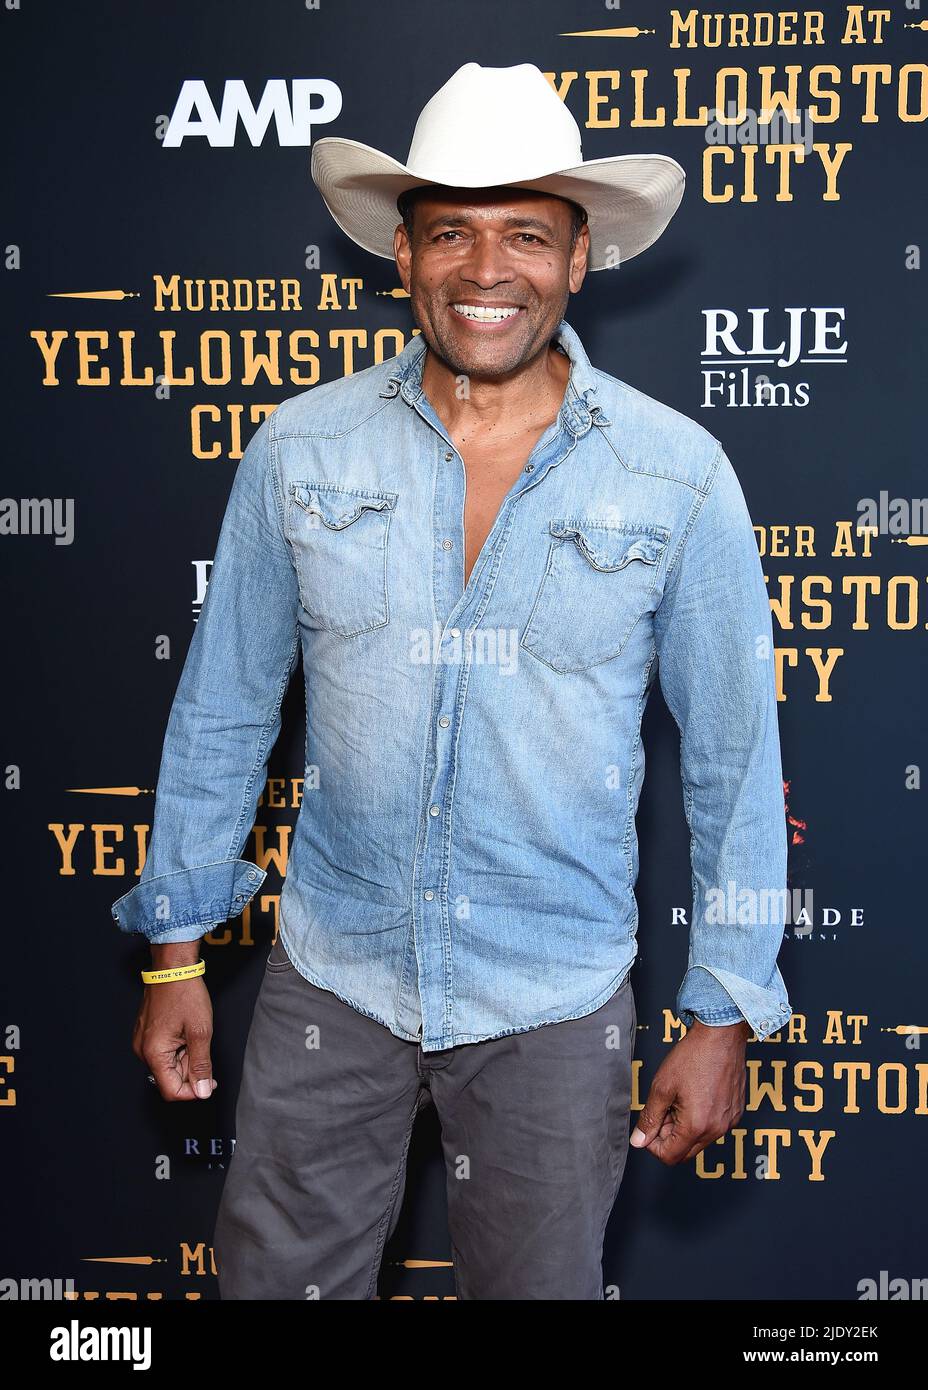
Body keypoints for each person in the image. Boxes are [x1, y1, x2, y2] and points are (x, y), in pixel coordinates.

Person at [112, 62, 792, 1300]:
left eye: (526, 234)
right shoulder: (300, 448)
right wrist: (173, 953)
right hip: (336, 978)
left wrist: (724, 1006)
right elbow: (222, 710)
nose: (489, 271)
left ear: (579, 258)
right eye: (452, 235)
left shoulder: (677, 474)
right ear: (402, 253)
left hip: (553, 1002)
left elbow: (735, 759)